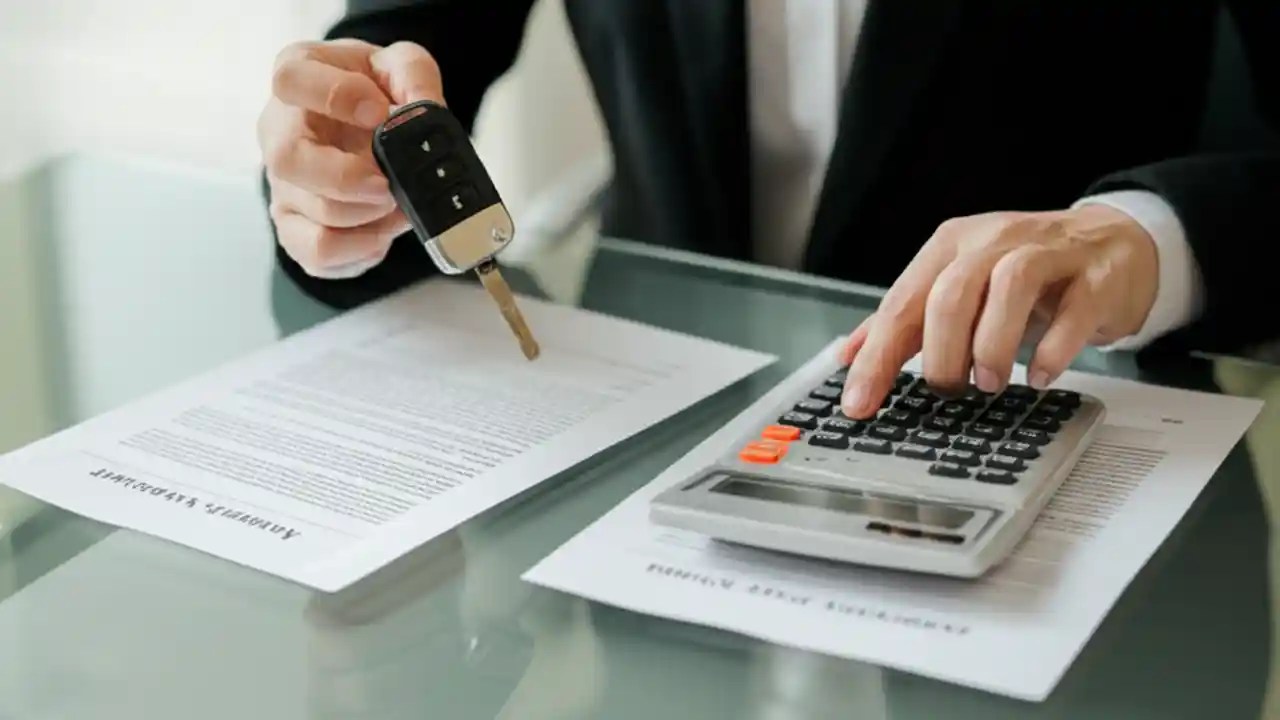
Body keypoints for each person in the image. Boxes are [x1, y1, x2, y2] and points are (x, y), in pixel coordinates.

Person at [258, 1, 1279, 419]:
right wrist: (329, 159)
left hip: (1073, 424)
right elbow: (401, 41)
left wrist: (1147, 237)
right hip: (651, 444)